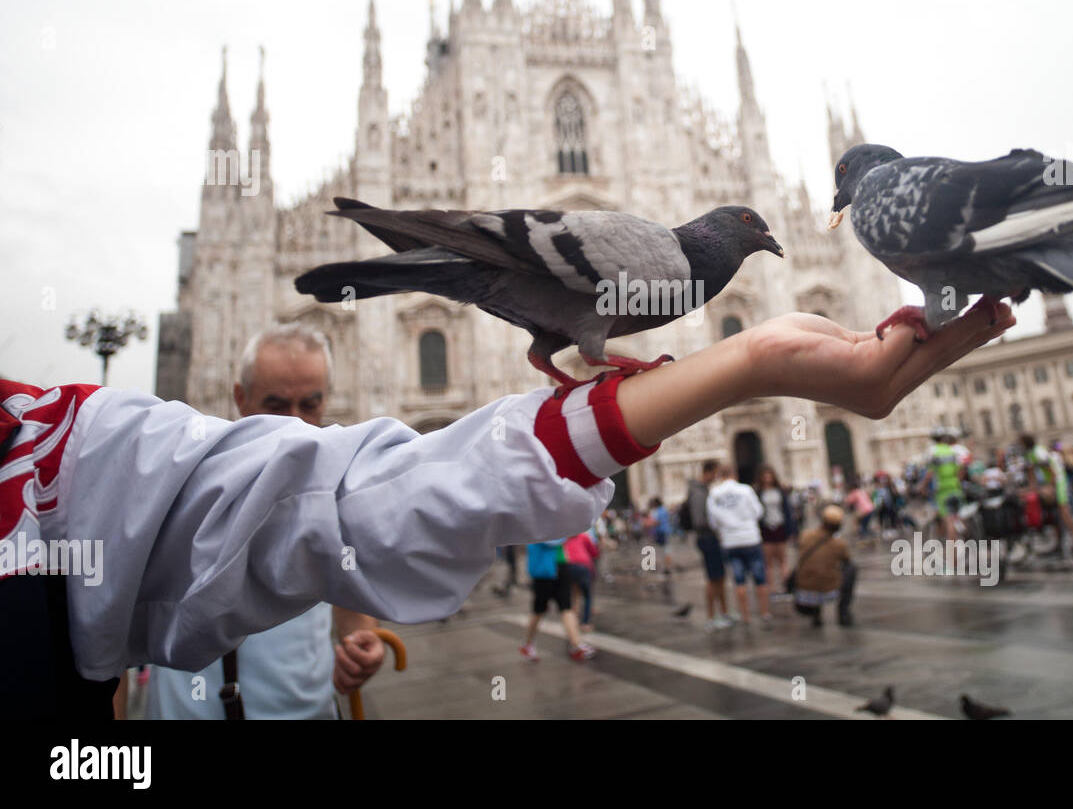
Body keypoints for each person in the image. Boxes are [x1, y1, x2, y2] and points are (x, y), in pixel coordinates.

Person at [1, 306, 1015, 717]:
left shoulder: (56, 449)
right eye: (281, 407)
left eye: (314, 405)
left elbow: (350, 503)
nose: (303, 426)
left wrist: (742, 362)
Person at [145, 325, 386, 719]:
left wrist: (363, 640)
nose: (294, 424)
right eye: (276, 405)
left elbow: (347, 595)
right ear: (240, 397)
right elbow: (113, 626)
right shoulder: (181, 484)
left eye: (309, 404)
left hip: (309, 710)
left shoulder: (334, 487)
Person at [707, 463, 770, 626]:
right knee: (760, 580)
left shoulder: (714, 494)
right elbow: (758, 512)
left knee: (739, 581)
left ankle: (746, 617)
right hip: (751, 538)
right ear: (734, 474)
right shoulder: (746, 490)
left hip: (730, 542)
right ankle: (764, 613)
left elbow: (713, 523)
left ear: (720, 475)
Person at [520, 541, 594, 662]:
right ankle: (527, 644)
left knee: (566, 608)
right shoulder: (538, 526)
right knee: (539, 610)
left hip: (560, 566)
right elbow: (550, 541)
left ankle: (576, 645)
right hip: (544, 572)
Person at [1020, 433, 1073, 558]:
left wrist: (1050, 486)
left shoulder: (1038, 452)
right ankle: (1058, 544)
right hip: (1050, 482)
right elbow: (1031, 474)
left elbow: (1052, 471)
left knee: (1064, 513)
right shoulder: (1030, 454)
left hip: (1059, 482)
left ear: (1025, 443)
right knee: (1053, 515)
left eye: (1021, 443)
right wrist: (1031, 488)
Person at [792, 505, 855, 628]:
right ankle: (843, 612)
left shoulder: (805, 535)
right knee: (851, 569)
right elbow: (847, 560)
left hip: (804, 589)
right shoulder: (839, 544)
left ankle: (816, 613)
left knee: (815, 567)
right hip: (828, 590)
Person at [685, 460, 730, 629]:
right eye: (716, 473)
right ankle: (711, 617)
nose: (717, 477)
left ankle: (724, 613)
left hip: (711, 538)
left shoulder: (703, 490)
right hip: (707, 538)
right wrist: (717, 524)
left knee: (719, 576)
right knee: (712, 578)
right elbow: (699, 520)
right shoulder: (698, 492)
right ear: (708, 472)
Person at [922, 429, 965, 544]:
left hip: (942, 490)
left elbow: (929, 473)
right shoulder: (951, 450)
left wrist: (923, 487)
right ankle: (967, 537)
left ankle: (953, 557)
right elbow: (961, 469)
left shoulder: (933, 452)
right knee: (958, 516)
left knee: (948, 521)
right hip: (955, 487)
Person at [756, 465, 795, 590]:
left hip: (780, 527)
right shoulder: (758, 492)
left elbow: (788, 511)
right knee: (768, 563)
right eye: (765, 476)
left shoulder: (780, 491)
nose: (767, 478)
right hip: (766, 529)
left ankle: (787, 587)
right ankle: (771, 589)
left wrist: (792, 530)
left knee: (783, 561)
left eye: (770, 475)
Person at [565, 529, 601, 632]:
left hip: (569, 566)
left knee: (574, 595)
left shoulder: (564, 538)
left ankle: (574, 620)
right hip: (583, 567)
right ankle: (585, 623)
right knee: (587, 596)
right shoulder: (584, 536)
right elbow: (594, 552)